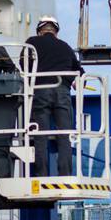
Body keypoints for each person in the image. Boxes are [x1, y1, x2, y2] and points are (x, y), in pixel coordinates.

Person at [24, 15, 83, 176]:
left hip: (40, 90)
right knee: (64, 135)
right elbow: (80, 74)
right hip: (62, 91)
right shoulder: (65, 46)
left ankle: (41, 175)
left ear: (39, 31)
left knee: (40, 136)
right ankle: (65, 174)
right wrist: (72, 81)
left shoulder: (32, 43)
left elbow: (24, 67)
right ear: (55, 32)